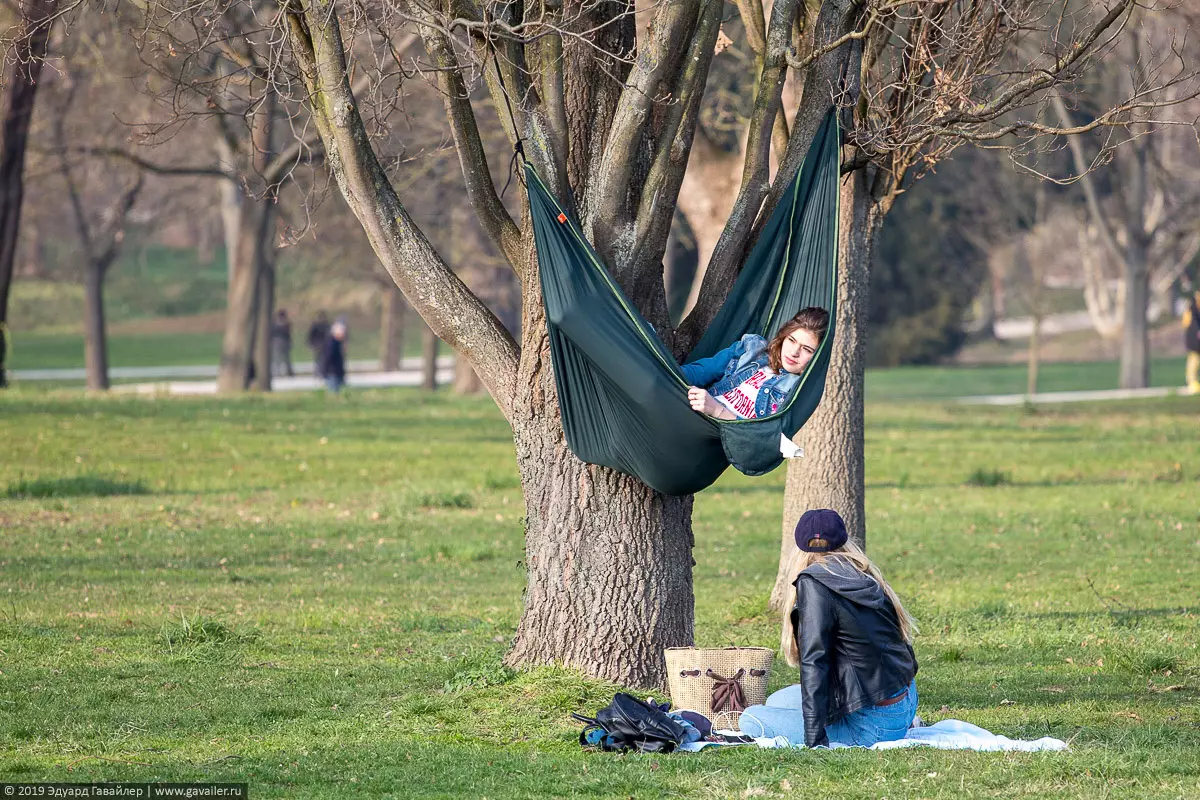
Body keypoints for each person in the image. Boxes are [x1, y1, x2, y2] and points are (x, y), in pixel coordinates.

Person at [738, 509, 919, 748]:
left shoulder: (814, 582)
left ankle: (866, 731)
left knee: (750, 718)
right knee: (775, 700)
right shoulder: (862, 573)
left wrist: (815, 740)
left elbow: (815, 661)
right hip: (901, 704)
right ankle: (904, 723)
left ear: (799, 549)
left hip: (871, 726)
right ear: (844, 542)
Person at [681, 307, 829, 420]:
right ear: (784, 336)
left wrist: (717, 411)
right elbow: (703, 371)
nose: (794, 352)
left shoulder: (797, 391)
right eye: (791, 340)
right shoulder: (751, 349)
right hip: (692, 410)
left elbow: (762, 440)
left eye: (807, 349)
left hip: (715, 434)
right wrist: (665, 374)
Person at [321, 320, 347, 393]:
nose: (344, 334)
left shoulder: (336, 343)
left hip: (335, 372)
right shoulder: (332, 344)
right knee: (334, 393)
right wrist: (324, 371)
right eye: (343, 332)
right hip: (332, 373)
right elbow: (327, 358)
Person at [1183, 288, 1200, 395]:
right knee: (1193, 361)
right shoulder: (1192, 309)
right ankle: (1192, 383)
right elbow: (1189, 324)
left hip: (1195, 340)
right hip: (1194, 340)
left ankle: (1193, 383)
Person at [270, 309, 295, 377]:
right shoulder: (278, 324)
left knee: (284, 359)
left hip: (280, 342)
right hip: (279, 342)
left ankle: (288, 372)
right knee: (279, 359)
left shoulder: (283, 324)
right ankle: (280, 372)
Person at [307, 311, 331, 378]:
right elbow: (311, 335)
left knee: (323, 359)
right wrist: (311, 344)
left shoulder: (326, 325)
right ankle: (318, 372)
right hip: (318, 345)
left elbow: (330, 335)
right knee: (318, 359)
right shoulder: (316, 325)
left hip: (323, 345)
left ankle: (321, 372)